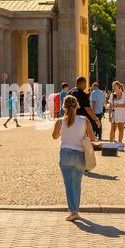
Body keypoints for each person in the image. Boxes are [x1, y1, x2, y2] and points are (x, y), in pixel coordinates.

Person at [52, 94, 89, 222]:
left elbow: (54, 137)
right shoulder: (84, 120)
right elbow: (93, 138)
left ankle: (73, 211)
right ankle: (76, 210)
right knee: (77, 184)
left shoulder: (60, 121)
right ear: (77, 105)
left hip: (65, 153)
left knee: (68, 184)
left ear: (64, 106)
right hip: (79, 154)